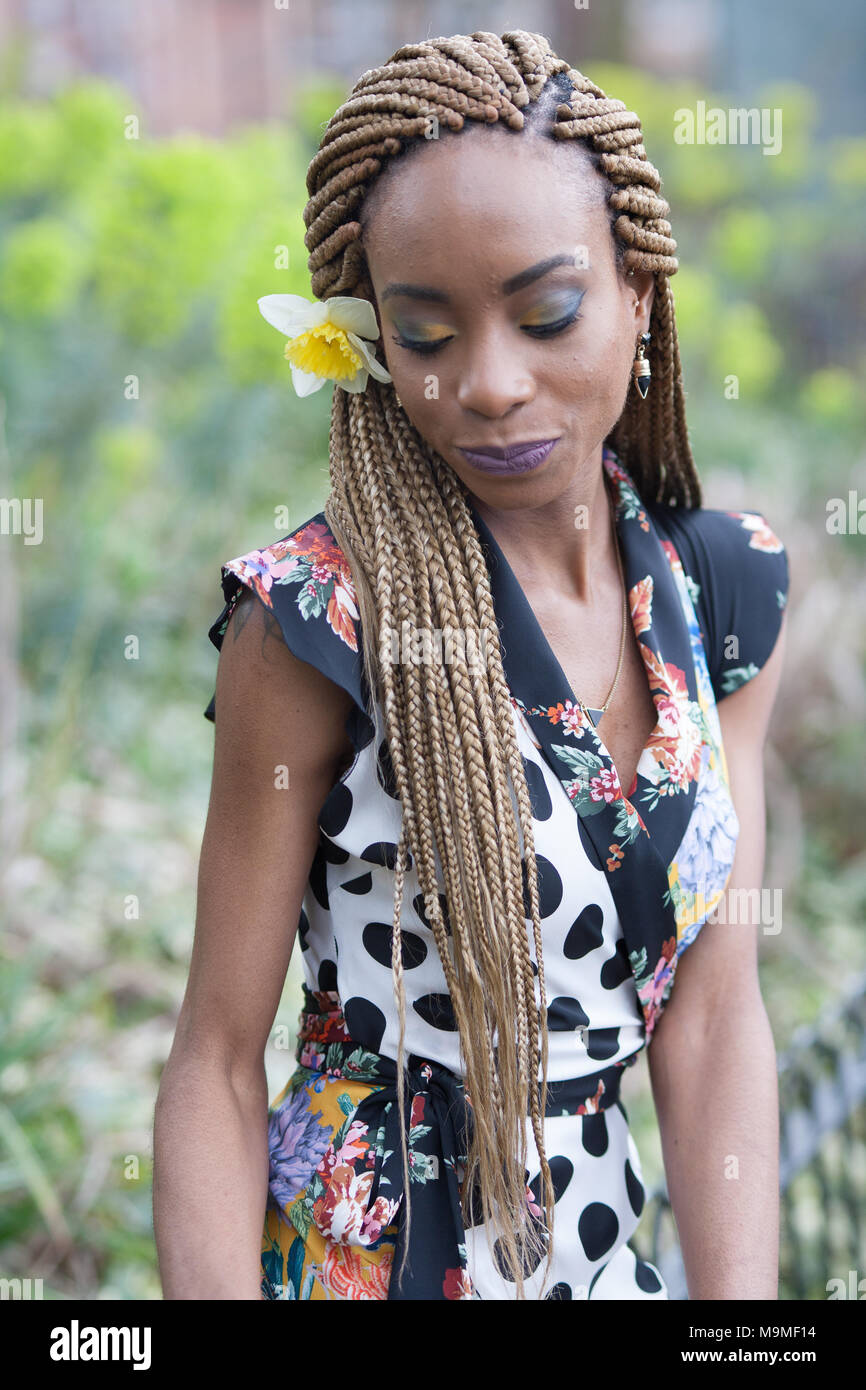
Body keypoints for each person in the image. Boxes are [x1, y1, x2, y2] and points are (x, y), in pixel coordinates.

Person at [153, 29, 789, 1301]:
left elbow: (713, 1019)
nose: (488, 385)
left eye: (546, 312)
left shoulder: (718, 587)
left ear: (638, 296)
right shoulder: (318, 619)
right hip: (362, 1267)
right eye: (425, 335)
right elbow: (218, 1059)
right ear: (370, 341)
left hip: (597, 1265)